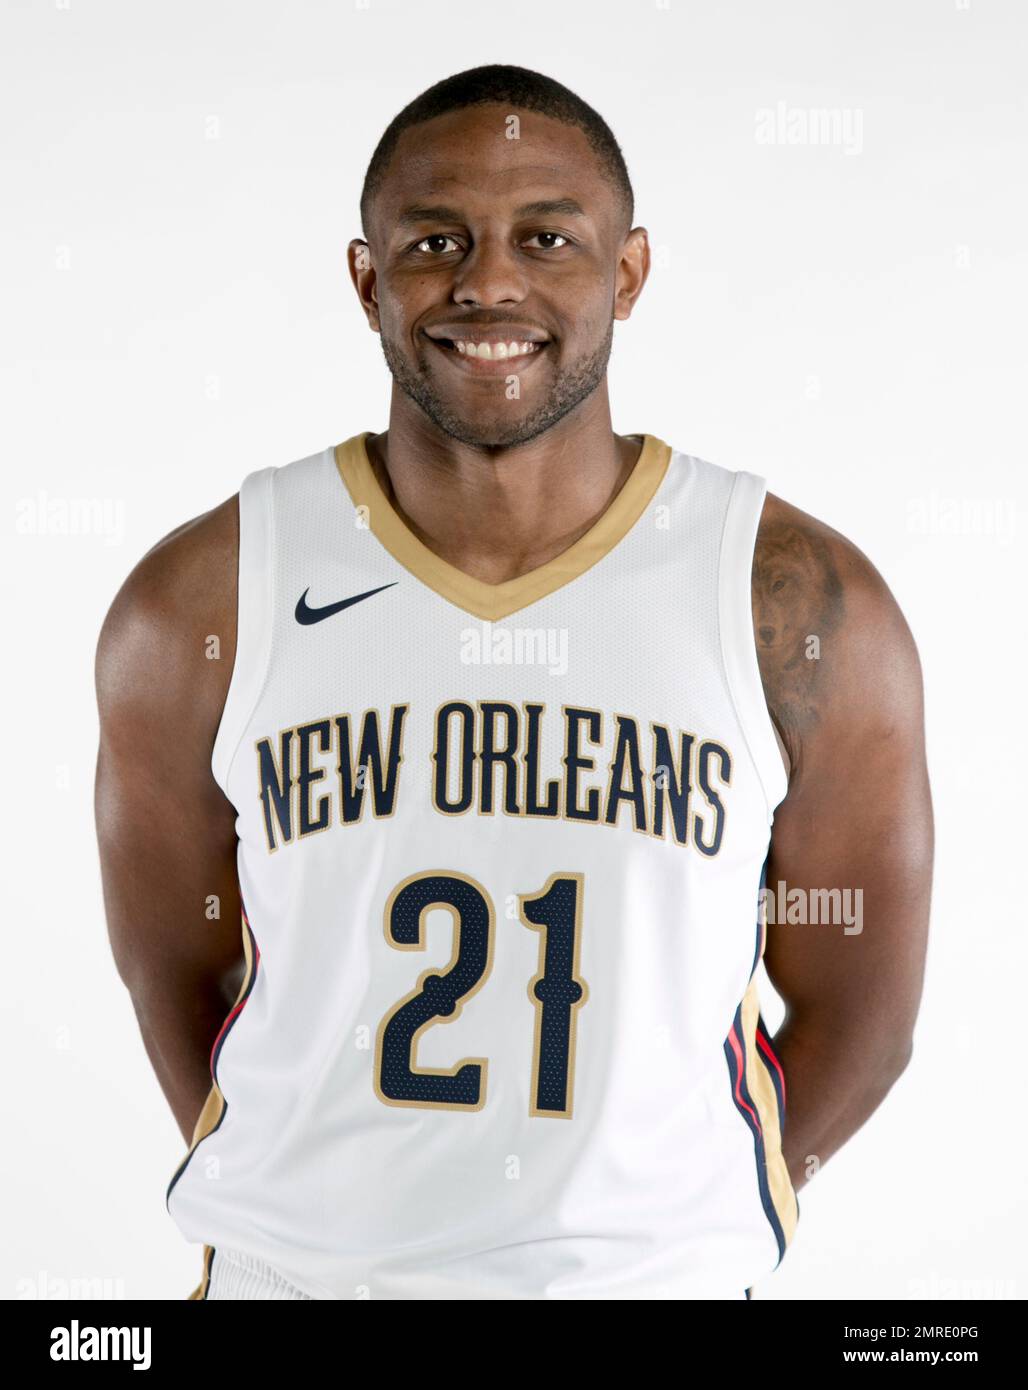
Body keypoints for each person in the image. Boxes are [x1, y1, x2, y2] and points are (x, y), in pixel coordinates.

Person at [94, 64, 933, 1301]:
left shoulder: (794, 604)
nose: (488, 281)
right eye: (436, 240)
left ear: (628, 273)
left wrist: (681, 1229)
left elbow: (863, 1009)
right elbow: (175, 965)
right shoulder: (202, 600)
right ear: (366, 279)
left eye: (547, 237)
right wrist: (308, 1222)